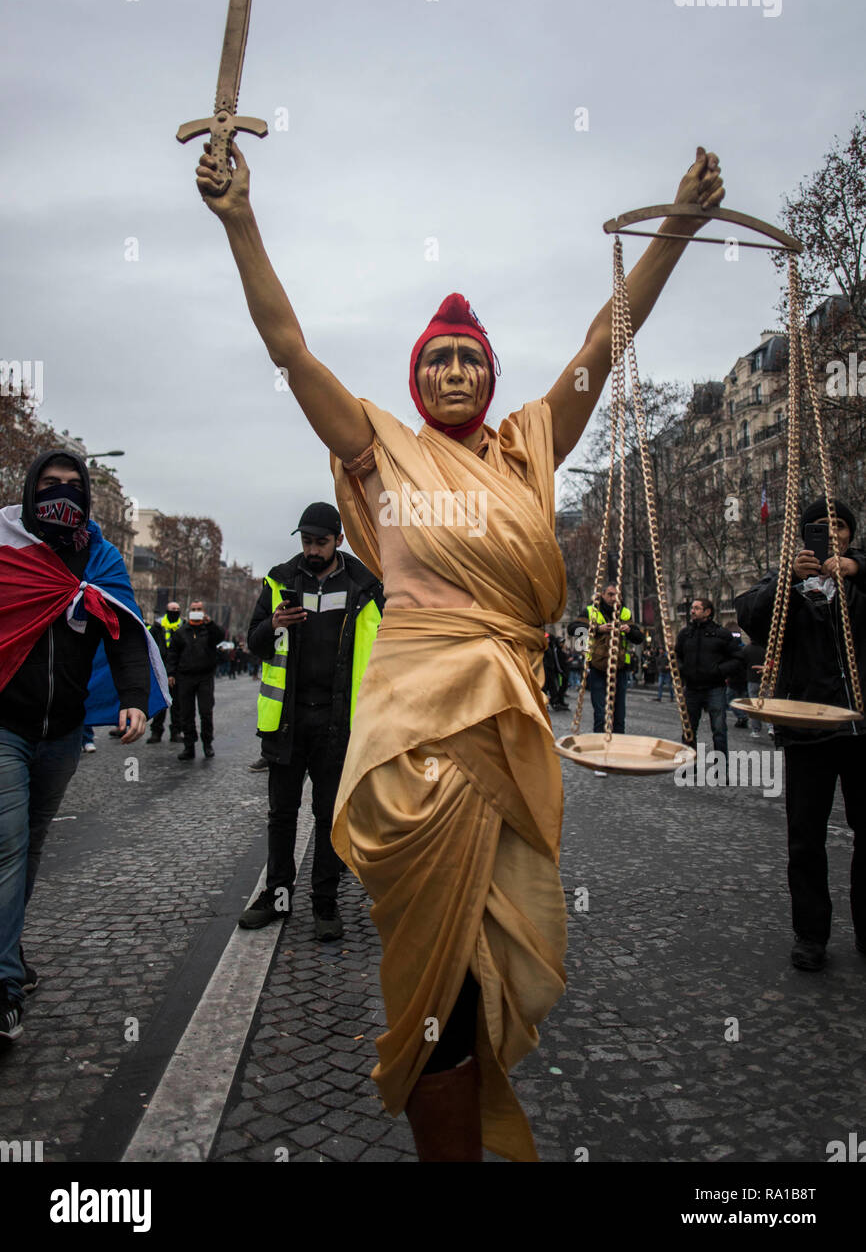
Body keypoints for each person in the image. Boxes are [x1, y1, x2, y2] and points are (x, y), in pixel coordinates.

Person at [194, 136, 724, 1161]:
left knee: (480, 976)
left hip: (509, 735)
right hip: (413, 752)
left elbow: (603, 345)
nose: (449, 367)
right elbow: (289, 348)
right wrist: (240, 222)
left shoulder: (528, 447)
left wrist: (679, 226)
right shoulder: (376, 449)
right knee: (431, 976)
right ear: (414, 376)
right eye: (435, 357)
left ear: (487, 374)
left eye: (466, 356)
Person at [0, 450, 165, 1041]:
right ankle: (3, 987)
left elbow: (122, 632)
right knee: (8, 844)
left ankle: (9, 955)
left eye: (72, 486)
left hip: (64, 732)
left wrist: (134, 699)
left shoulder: (101, 557)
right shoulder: (6, 544)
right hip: (6, 725)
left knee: (32, 845)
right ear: (29, 489)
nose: (61, 494)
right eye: (49, 485)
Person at [240, 502, 383, 941]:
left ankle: (325, 903)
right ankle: (277, 897)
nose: (312, 550)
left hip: (340, 723)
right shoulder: (280, 579)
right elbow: (255, 642)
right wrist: (274, 625)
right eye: (306, 541)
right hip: (287, 721)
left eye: (320, 542)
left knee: (328, 817)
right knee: (282, 814)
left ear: (339, 539)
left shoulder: (365, 583)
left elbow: (391, 644)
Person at [735, 500, 866, 972]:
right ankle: (811, 935)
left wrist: (856, 571)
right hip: (808, 728)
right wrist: (789, 579)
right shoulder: (785, 580)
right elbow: (748, 615)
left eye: (840, 527)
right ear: (803, 535)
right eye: (820, 527)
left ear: (852, 536)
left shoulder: (858, 578)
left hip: (860, 728)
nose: (831, 533)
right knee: (805, 837)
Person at [675, 598, 746, 773]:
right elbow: (677, 656)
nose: (692, 611)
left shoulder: (721, 634)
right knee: (689, 730)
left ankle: (721, 768)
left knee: (719, 729)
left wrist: (719, 671)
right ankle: (688, 766)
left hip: (715, 687)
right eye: (692, 608)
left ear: (707, 612)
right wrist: (683, 671)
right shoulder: (685, 634)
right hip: (691, 688)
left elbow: (738, 658)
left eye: (697, 608)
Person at [574, 583, 644, 739]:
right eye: (610, 595)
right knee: (600, 713)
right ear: (603, 595)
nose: (614, 598)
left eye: (617, 595)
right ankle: (600, 745)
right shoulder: (591, 611)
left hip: (620, 669)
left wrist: (629, 630)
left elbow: (639, 638)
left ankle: (618, 746)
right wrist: (597, 629)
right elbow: (574, 628)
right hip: (598, 668)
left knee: (619, 714)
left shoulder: (625, 612)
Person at [165, 601, 225, 760]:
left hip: (205, 676)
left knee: (206, 712)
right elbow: (173, 654)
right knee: (186, 713)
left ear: (203, 611)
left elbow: (221, 636)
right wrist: (170, 673)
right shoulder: (181, 631)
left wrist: (210, 623)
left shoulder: (209, 630)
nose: (196, 611)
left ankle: (207, 744)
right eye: (193, 609)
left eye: (199, 609)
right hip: (185, 677)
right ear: (189, 611)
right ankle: (189, 746)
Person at [147, 602, 183, 743]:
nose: (175, 611)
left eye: (177, 609)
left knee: (177, 705)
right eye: (173, 609)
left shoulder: (183, 626)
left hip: (178, 670)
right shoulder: (157, 627)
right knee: (160, 703)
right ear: (167, 611)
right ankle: (156, 732)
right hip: (160, 669)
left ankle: (176, 732)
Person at [725, 628, 750, 728]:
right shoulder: (745, 651)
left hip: (734, 681)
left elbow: (730, 667)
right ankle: (742, 717)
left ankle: (742, 716)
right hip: (744, 680)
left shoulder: (731, 654)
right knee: (742, 700)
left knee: (730, 699)